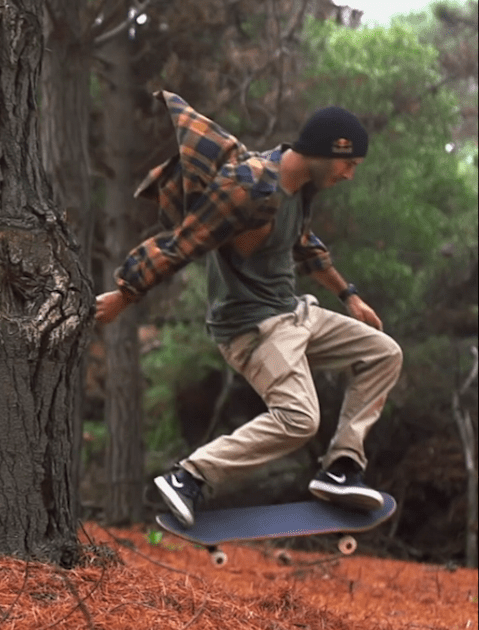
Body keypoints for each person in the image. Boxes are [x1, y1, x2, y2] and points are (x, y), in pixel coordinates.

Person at [97, 91, 403, 528]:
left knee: (384, 353)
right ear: (322, 151)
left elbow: (303, 244)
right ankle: (190, 477)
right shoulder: (248, 186)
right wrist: (124, 294)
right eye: (348, 164)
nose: (350, 175)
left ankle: (341, 468)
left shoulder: (298, 188)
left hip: (295, 312)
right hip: (253, 327)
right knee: (300, 419)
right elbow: (184, 243)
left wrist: (349, 295)